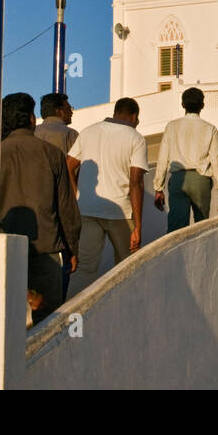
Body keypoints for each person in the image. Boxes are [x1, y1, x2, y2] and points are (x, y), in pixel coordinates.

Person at [0, 92, 81, 326]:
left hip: (5, 250)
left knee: (7, 321)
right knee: (47, 322)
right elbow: (66, 206)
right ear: (32, 119)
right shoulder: (52, 154)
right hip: (47, 250)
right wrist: (72, 247)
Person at [66, 98, 147, 298]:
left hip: (86, 209)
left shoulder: (88, 131)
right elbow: (136, 182)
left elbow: (67, 166)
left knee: (84, 268)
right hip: (119, 211)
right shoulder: (135, 138)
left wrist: (78, 194)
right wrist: (137, 225)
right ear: (134, 116)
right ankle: (125, 309)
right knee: (127, 265)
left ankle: (70, 318)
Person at [154, 87, 218, 232]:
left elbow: (163, 159)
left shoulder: (171, 127)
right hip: (201, 180)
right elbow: (217, 161)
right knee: (202, 228)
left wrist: (158, 188)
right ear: (202, 105)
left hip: (178, 180)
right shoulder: (210, 128)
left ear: (182, 105)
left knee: (176, 230)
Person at [37, 91, 80, 296]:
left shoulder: (33, 133)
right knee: (64, 259)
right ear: (59, 111)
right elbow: (77, 173)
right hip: (60, 207)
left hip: (33, 208)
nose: (71, 111)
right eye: (68, 107)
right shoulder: (70, 135)